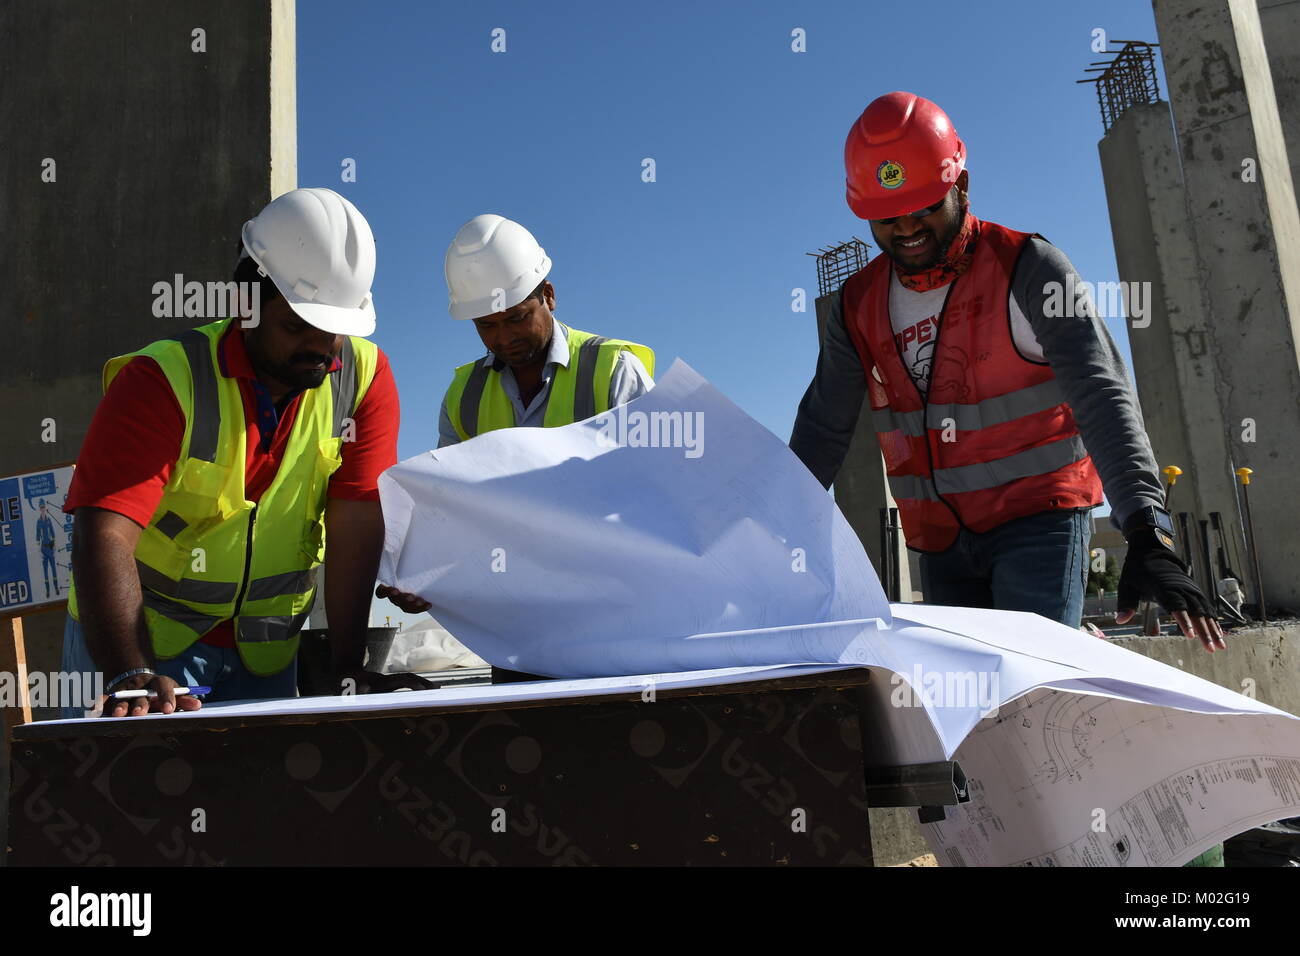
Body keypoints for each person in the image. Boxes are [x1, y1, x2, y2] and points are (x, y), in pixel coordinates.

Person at [789, 91, 1223, 652]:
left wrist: (1146, 527)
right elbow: (823, 428)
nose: (906, 227)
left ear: (960, 186)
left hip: (1037, 524)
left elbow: (1102, 395)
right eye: (887, 216)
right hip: (940, 542)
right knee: (965, 702)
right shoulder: (857, 304)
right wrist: (773, 531)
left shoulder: (1028, 268)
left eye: (924, 205)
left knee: (1029, 687)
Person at [62, 187, 429, 718]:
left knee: (256, 796)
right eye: (298, 325)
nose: (322, 350)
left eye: (337, 331)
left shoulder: (363, 378)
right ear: (244, 303)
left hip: (264, 655)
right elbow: (107, 529)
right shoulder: (163, 379)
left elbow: (354, 522)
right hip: (141, 642)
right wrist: (129, 673)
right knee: (117, 795)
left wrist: (346, 665)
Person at [377, 214, 655, 683]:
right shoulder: (464, 394)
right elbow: (449, 510)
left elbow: (658, 499)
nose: (504, 338)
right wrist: (424, 573)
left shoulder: (612, 371)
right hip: (514, 638)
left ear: (548, 295)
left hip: (614, 627)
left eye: (516, 318)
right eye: (486, 325)